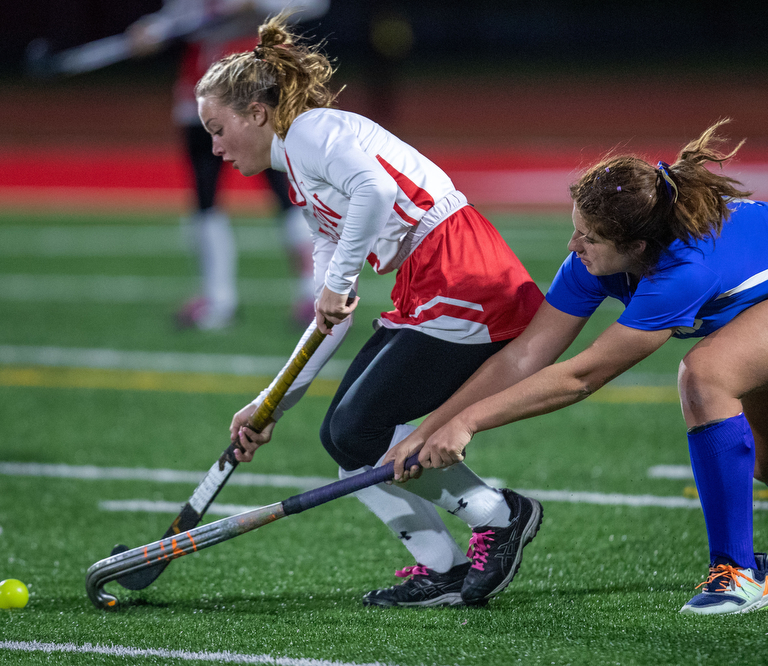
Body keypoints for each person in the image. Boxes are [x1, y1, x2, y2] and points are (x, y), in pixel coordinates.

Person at [385, 119, 768, 616]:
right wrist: (429, 429)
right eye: (576, 229)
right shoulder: (595, 260)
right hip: (766, 298)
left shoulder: (682, 270)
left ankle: (738, 574)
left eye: (589, 237)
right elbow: (524, 356)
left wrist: (469, 422)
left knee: (706, 373)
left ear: (638, 248)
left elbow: (582, 376)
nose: (572, 246)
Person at [196, 12, 547, 607]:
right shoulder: (305, 185)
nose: (215, 146)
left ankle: (500, 513)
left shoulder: (309, 132)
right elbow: (325, 319)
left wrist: (340, 278)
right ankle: (444, 568)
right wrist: (271, 400)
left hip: (464, 273)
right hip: (429, 281)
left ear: (256, 112)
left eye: (218, 128)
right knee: (348, 444)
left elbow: (376, 192)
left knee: (356, 431)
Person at [127, 0, 328, 330]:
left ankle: (313, 294)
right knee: (205, 198)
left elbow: (311, 5)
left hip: (256, 88)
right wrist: (151, 31)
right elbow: (180, 17)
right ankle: (218, 301)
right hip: (200, 93)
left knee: (286, 191)